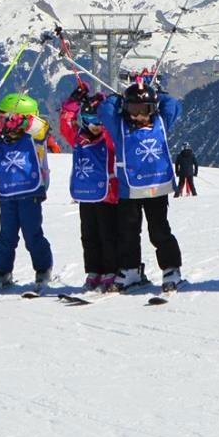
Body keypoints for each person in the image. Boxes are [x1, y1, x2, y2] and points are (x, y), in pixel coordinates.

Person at [95, 78, 186, 292]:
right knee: (127, 231)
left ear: (154, 109)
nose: (138, 116)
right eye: (133, 110)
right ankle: (130, 269)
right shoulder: (120, 128)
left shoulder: (162, 123)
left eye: (145, 109)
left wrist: (157, 92)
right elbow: (104, 111)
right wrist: (117, 99)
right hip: (130, 189)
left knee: (159, 230)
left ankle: (171, 268)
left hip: (157, 186)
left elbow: (172, 104)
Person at [0, 92, 53, 292]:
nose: (2, 124)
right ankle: (2, 271)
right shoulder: (0, 139)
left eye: (5, 119)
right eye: (0, 118)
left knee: (32, 234)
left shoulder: (34, 137)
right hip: (7, 195)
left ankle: (43, 268)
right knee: (6, 236)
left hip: (30, 193)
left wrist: (21, 121)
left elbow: (42, 129)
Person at [59, 85, 125, 293]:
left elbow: (115, 129)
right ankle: (93, 270)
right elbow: (65, 124)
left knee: (108, 234)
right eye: (90, 122)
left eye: (99, 122)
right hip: (86, 194)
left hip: (107, 195)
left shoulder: (109, 139)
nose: (96, 127)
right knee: (89, 234)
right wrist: (73, 103)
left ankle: (111, 270)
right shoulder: (79, 138)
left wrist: (108, 109)